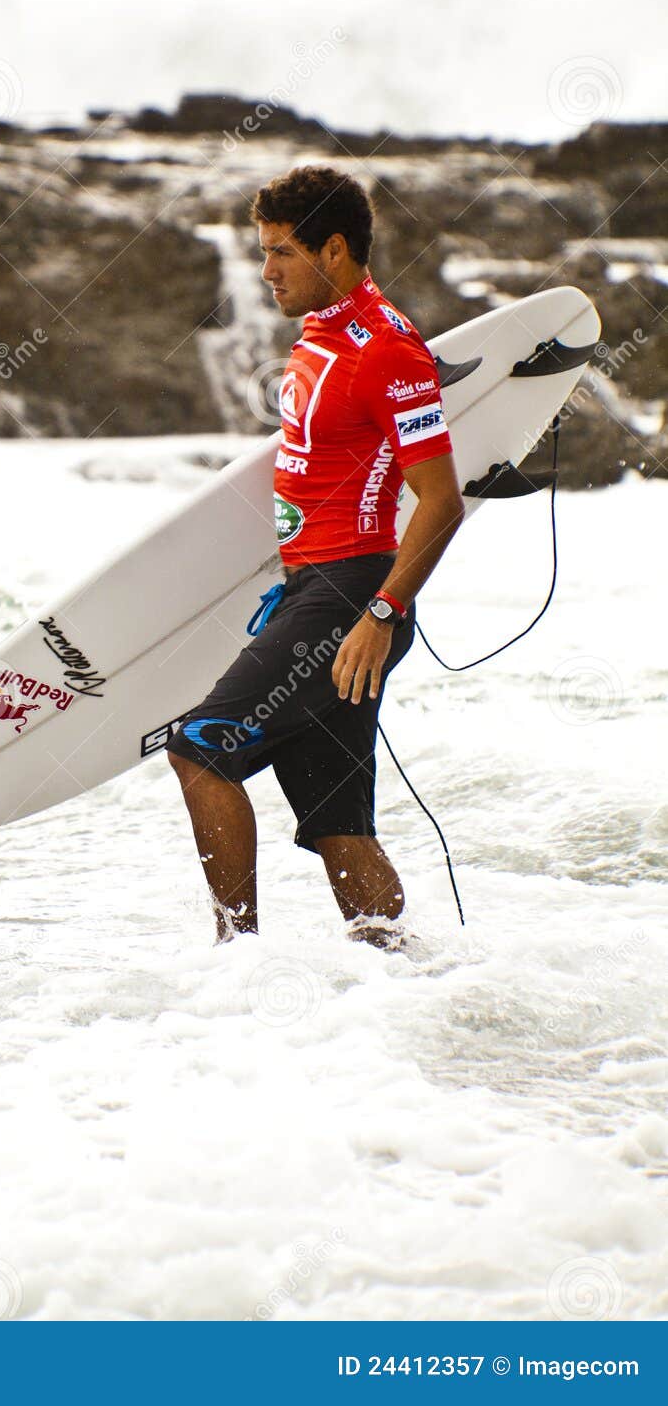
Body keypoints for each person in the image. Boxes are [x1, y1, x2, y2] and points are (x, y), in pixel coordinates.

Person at [166, 165, 465, 946]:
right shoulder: (322, 333)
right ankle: (402, 979)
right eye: (262, 253)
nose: (265, 272)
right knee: (336, 824)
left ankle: (237, 956)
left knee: (200, 749)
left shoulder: (389, 352)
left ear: (334, 250)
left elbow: (440, 500)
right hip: (318, 594)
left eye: (280, 253)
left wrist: (377, 612)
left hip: (350, 601)